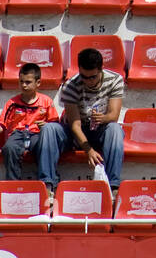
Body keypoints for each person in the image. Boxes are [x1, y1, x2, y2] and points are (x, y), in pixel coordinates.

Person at [37, 47, 124, 203]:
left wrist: (102, 118)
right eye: (84, 76)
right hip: (77, 130)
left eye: (92, 77)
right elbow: (74, 125)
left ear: (101, 69)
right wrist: (88, 150)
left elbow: (114, 115)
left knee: (115, 129)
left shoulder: (115, 80)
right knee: (49, 129)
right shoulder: (70, 86)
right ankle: (47, 186)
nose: (88, 81)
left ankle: (112, 187)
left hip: (101, 128)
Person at [0, 62, 58, 180]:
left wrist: (46, 125)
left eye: (28, 82)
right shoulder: (12, 103)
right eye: (21, 82)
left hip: (37, 134)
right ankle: (13, 182)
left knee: (45, 147)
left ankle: (46, 181)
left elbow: (54, 124)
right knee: (9, 148)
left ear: (38, 83)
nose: (24, 85)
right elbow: (2, 122)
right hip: (18, 134)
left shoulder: (46, 102)